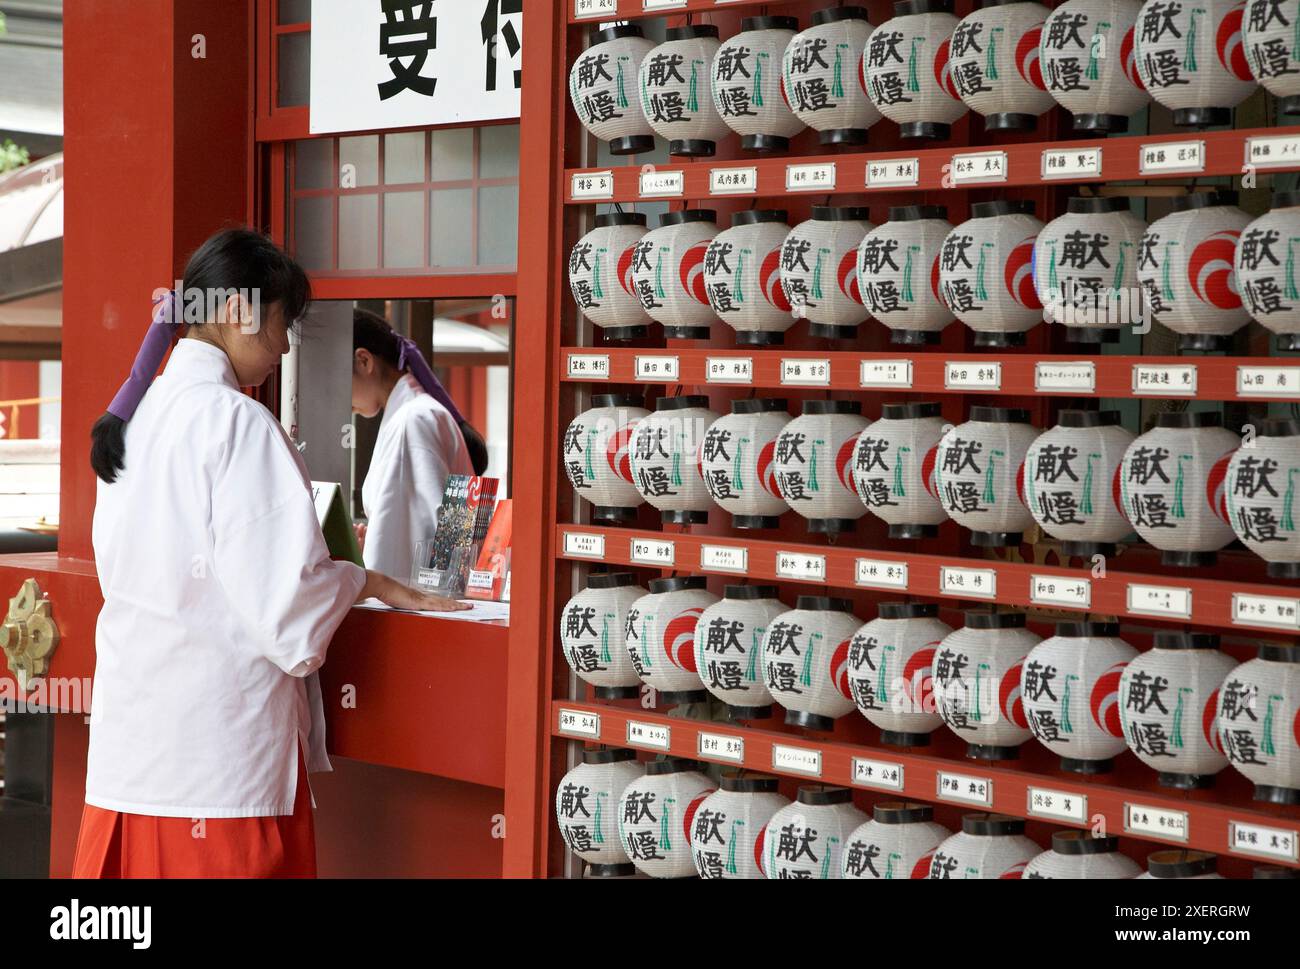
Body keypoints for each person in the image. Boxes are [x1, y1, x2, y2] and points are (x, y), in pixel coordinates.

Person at [74, 228, 467, 878]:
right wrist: (363, 580)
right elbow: (292, 623)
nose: (284, 346)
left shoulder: (134, 422)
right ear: (239, 312)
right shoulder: (236, 422)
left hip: (131, 754)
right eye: (282, 324)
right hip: (217, 771)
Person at [350, 308, 488, 582]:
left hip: (421, 598)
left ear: (364, 360)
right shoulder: (420, 413)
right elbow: (445, 532)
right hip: (438, 591)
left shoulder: (411, 420)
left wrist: (368, 562)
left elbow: (408, 539)